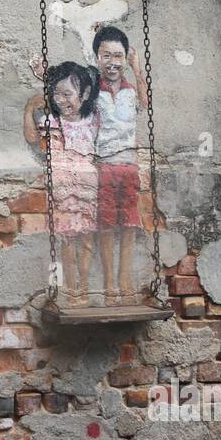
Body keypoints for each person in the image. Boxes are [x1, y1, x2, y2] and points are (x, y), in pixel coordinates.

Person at [25, 61, 100, 307]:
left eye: (67, 94)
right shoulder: (51, 121)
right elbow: (32, 139)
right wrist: (29, 110)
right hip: (62, 190)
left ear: (85, 94)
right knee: (67, 240)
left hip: (87, 190)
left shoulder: (92, 119)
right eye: (56, 94)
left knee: (86, 239)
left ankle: (85, 288)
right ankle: (69, 288)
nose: (61, 100)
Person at [91, 25, 149, 304]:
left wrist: (138, 70)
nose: (113, 62)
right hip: (103, 166)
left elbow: (146, 101)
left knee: (127, 225)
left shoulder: (130, 90)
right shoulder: (91, 91)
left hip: (128, 166)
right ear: (96, 58)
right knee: (105, 226)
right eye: (106, 56)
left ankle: (125, 280)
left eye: (118, 56)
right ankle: (109, 284)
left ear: (126, 58)